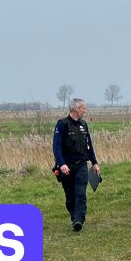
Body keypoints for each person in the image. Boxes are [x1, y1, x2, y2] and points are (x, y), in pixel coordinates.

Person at [52, 98, 101, 231]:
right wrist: (61, 164)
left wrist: (94, 162)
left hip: (81, 165)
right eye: (83, 108)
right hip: (66, 166)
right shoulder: (62, 124)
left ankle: (79, 219)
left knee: (80, 192)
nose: (85, 110)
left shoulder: (84, 125)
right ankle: (74, 217)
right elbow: (56, 146)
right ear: (76, 109)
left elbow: (88, 145)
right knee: (70, 195)